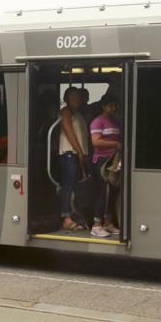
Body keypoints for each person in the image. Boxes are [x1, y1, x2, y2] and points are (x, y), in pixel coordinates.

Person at [88, 95, 122, 237]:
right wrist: (115, 144)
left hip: (114, 160)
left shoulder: (115, 121)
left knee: (112, 191)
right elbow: (96, 142)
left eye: (115, 105)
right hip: (102, 161)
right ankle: (96, 225)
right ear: (103, 106)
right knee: (104, 191)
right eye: (110, 105)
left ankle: (108, 223)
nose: (113, 108)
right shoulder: (97, 122)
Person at [57, 87, 90, 231]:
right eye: (73, 97)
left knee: (76, 187)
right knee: (68, 185)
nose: (77, 99)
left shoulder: (78, 113)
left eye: (78, 97)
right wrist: (80, 152)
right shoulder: (66, 112)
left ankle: (75, 215)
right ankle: (66, 217)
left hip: (78, 154)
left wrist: (84, 154)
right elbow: (69, 133)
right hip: (69, 153)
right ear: (66, 99)